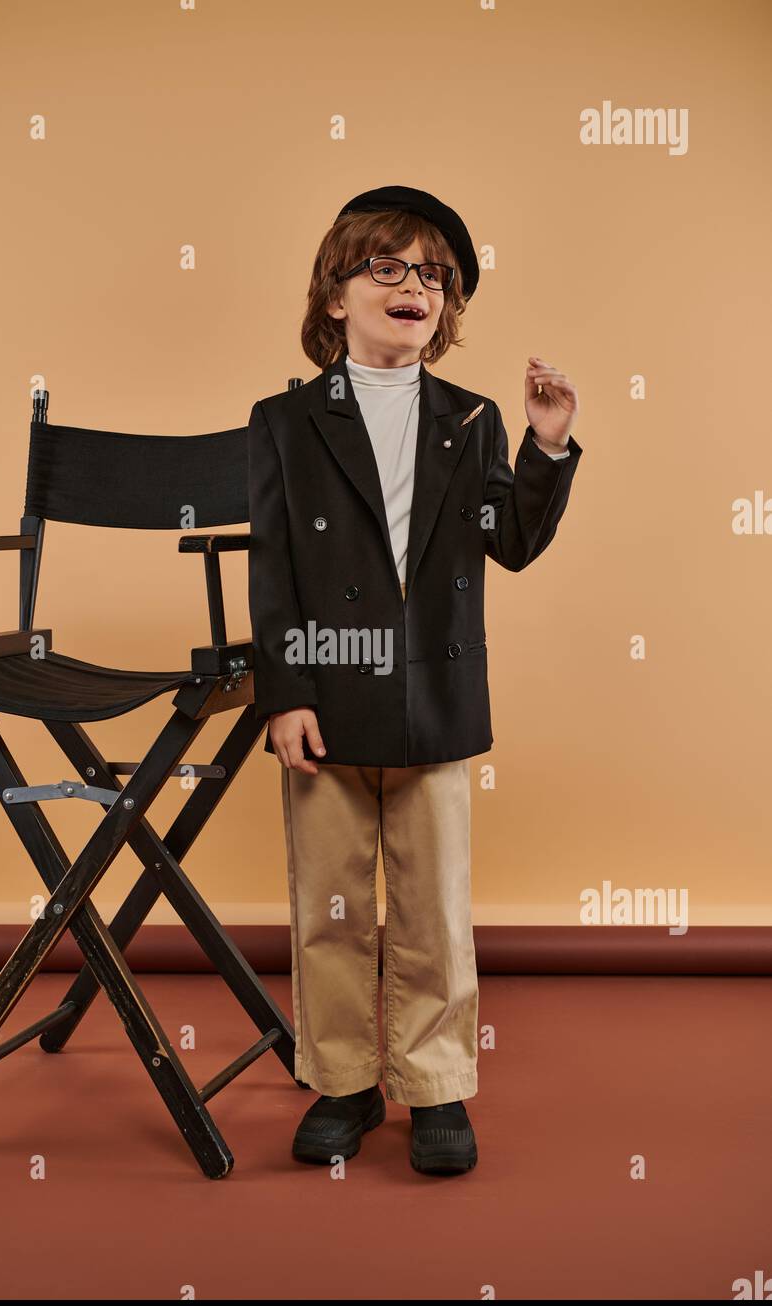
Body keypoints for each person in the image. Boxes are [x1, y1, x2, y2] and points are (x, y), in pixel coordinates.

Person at [246, 186, 583, 1175]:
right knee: (330, 905)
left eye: (432, 274)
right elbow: (274, 570)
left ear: (446, 309)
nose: (414, 286)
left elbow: (507, 540)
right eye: (386, 267)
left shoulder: (471, 420)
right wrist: (286, 689)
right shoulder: (284, 421)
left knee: (434, 903)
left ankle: (435, 1086)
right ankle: (344, 1081)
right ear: (335, 293)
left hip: (433, 698)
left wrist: (546, 444)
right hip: (326, 696)